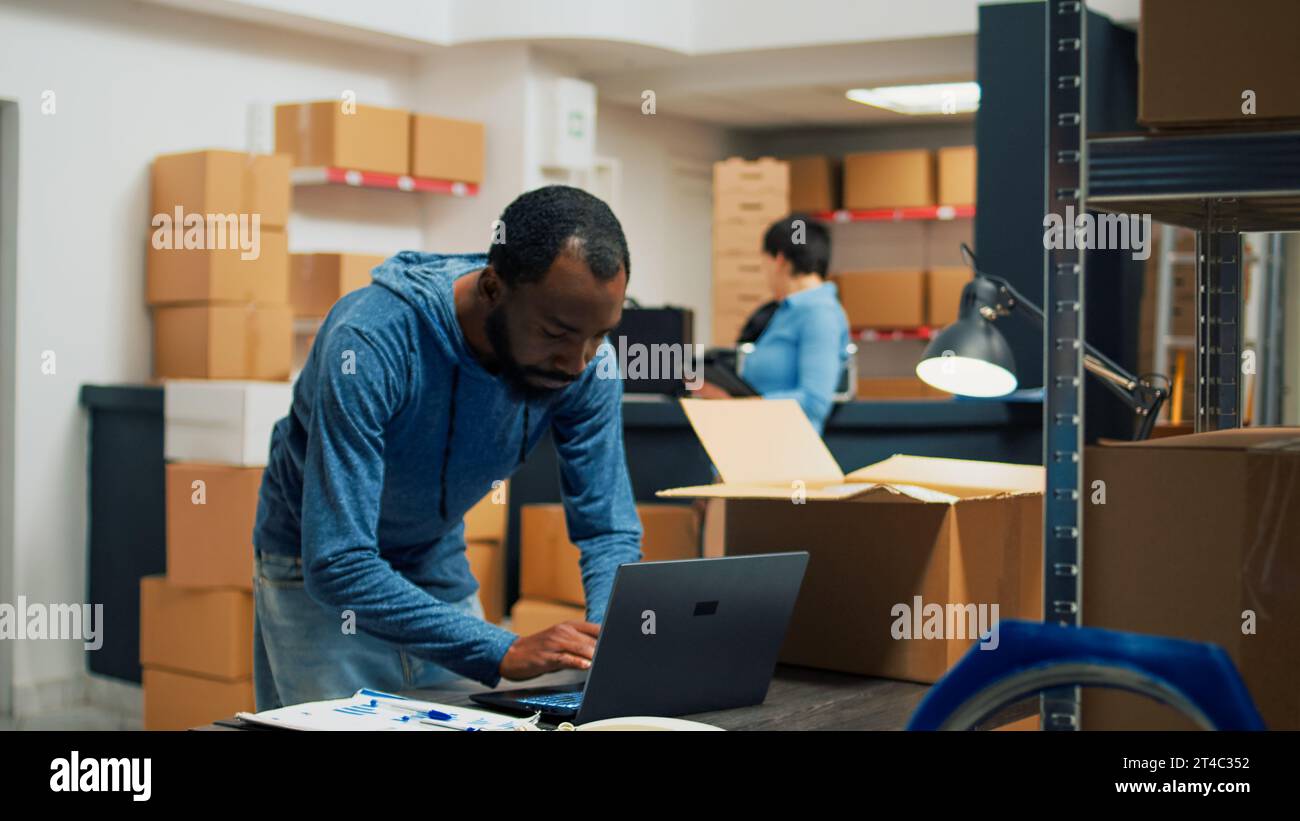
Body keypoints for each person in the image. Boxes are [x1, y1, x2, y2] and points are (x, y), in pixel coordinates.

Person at [251, 185, 643, 710]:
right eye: (556, 333)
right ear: (492, 288)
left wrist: (606, 644)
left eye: (600, 336)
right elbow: (339, 562)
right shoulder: (370, 340)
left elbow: (608, 527)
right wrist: (503, 648)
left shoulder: (588, 363)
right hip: (316, 573)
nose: (578, 362)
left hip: (433, 558)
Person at [694, 214, 849, 431]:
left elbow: (814, 402)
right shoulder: (787, 311)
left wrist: (736, 406)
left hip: (786, 455)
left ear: (779, 259)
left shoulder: (819, 314)